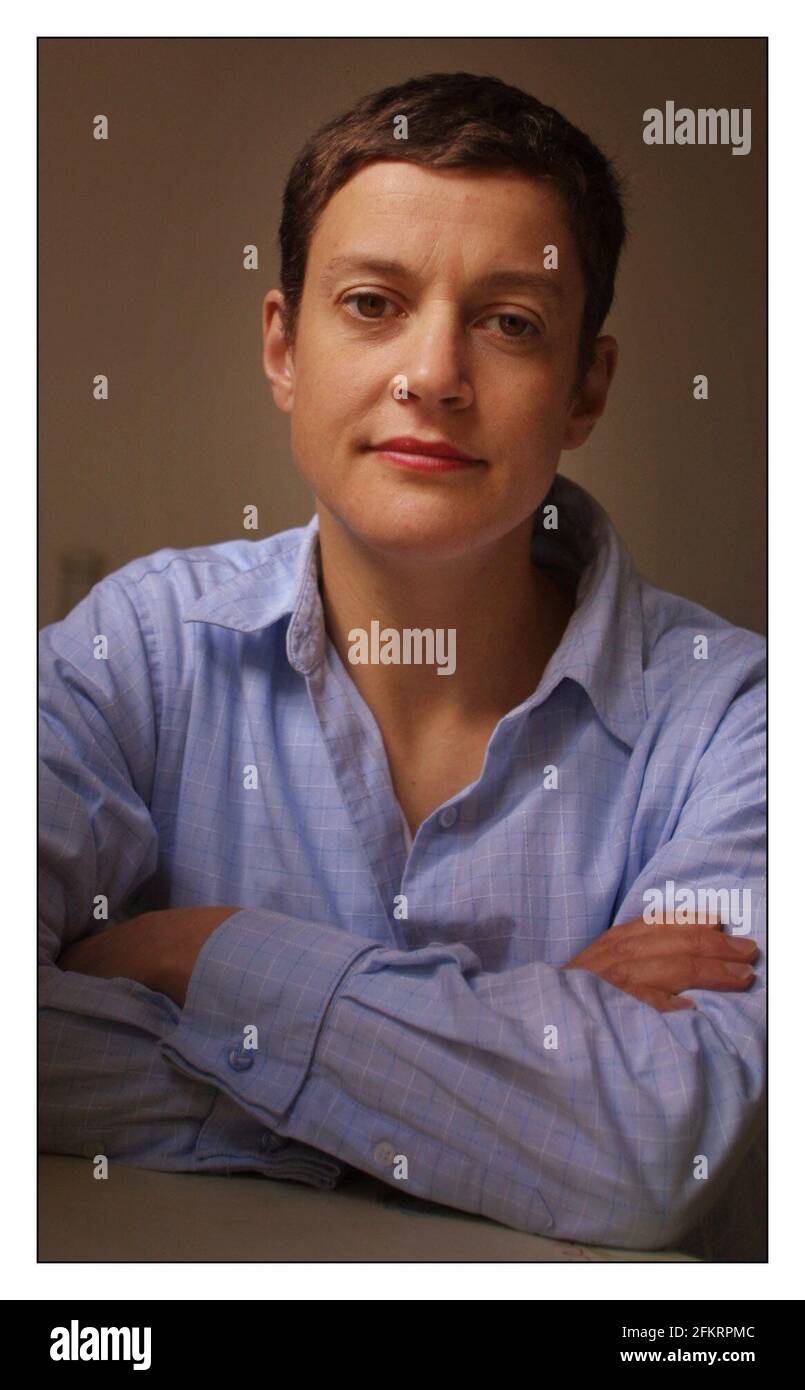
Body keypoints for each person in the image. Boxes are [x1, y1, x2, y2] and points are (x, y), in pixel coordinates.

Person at [39, 71, 765, 1258]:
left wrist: (193, 951)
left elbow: (653, 1150)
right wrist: (509, 1074)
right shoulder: (138, 650)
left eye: (512, 321)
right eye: (373, 302)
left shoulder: (738, 719)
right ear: (283, 347)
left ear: (586, 385)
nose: (431, 373)